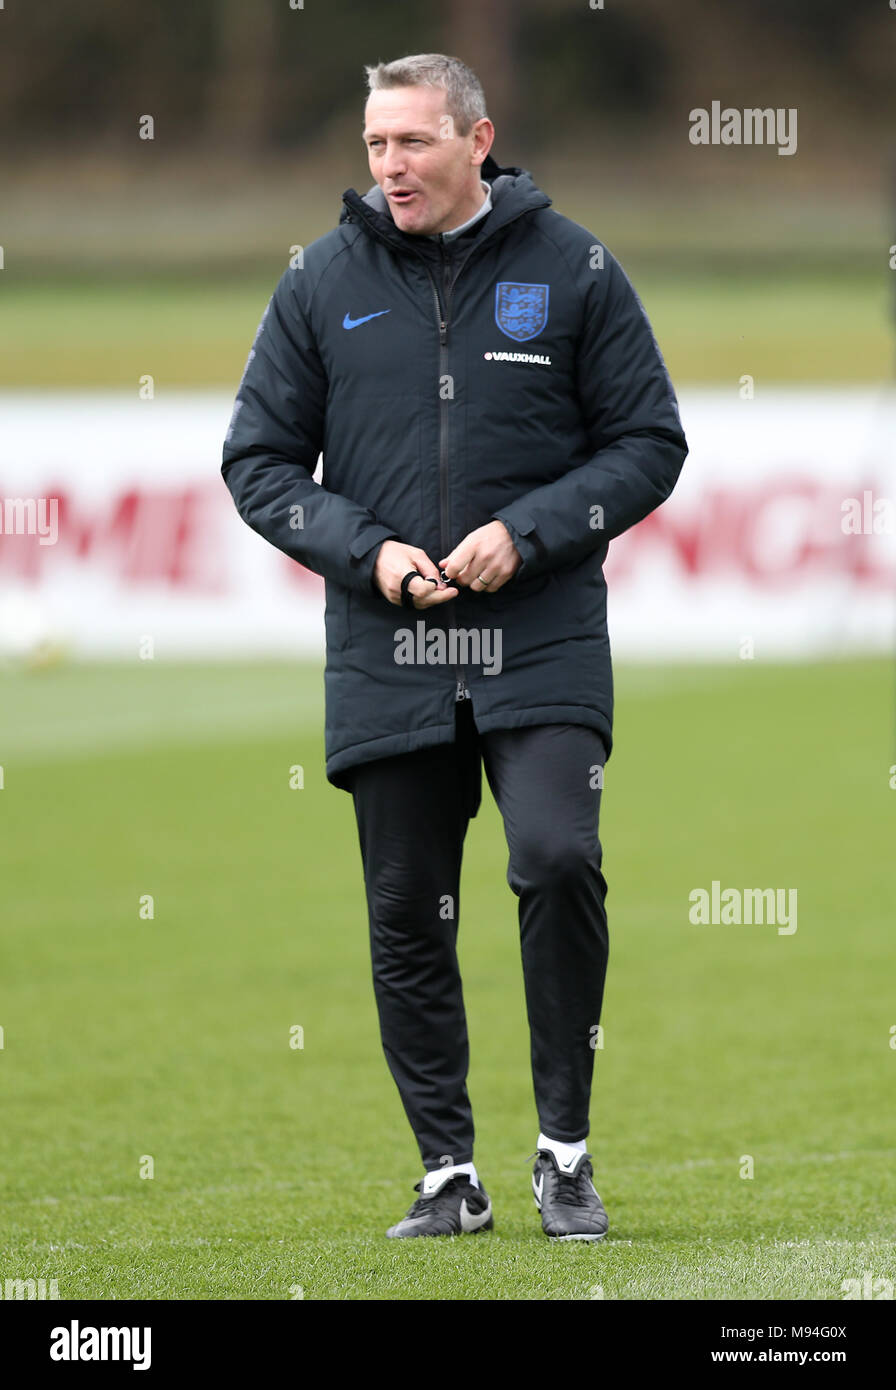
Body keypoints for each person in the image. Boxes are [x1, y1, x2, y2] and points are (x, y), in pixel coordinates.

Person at [222, 53, 687, 1241]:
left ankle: (563, 1151)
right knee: (405, 909)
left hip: (539, 637)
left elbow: (646, 441)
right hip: (388, 645)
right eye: (374, 146)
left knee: (555, 855)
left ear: (476, 141)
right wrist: (366, 552)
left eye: (412, 143)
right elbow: (258, 463)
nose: (389, 167)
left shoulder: (574, 267)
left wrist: (523, 536)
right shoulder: (318, 282)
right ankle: (446, 1172)